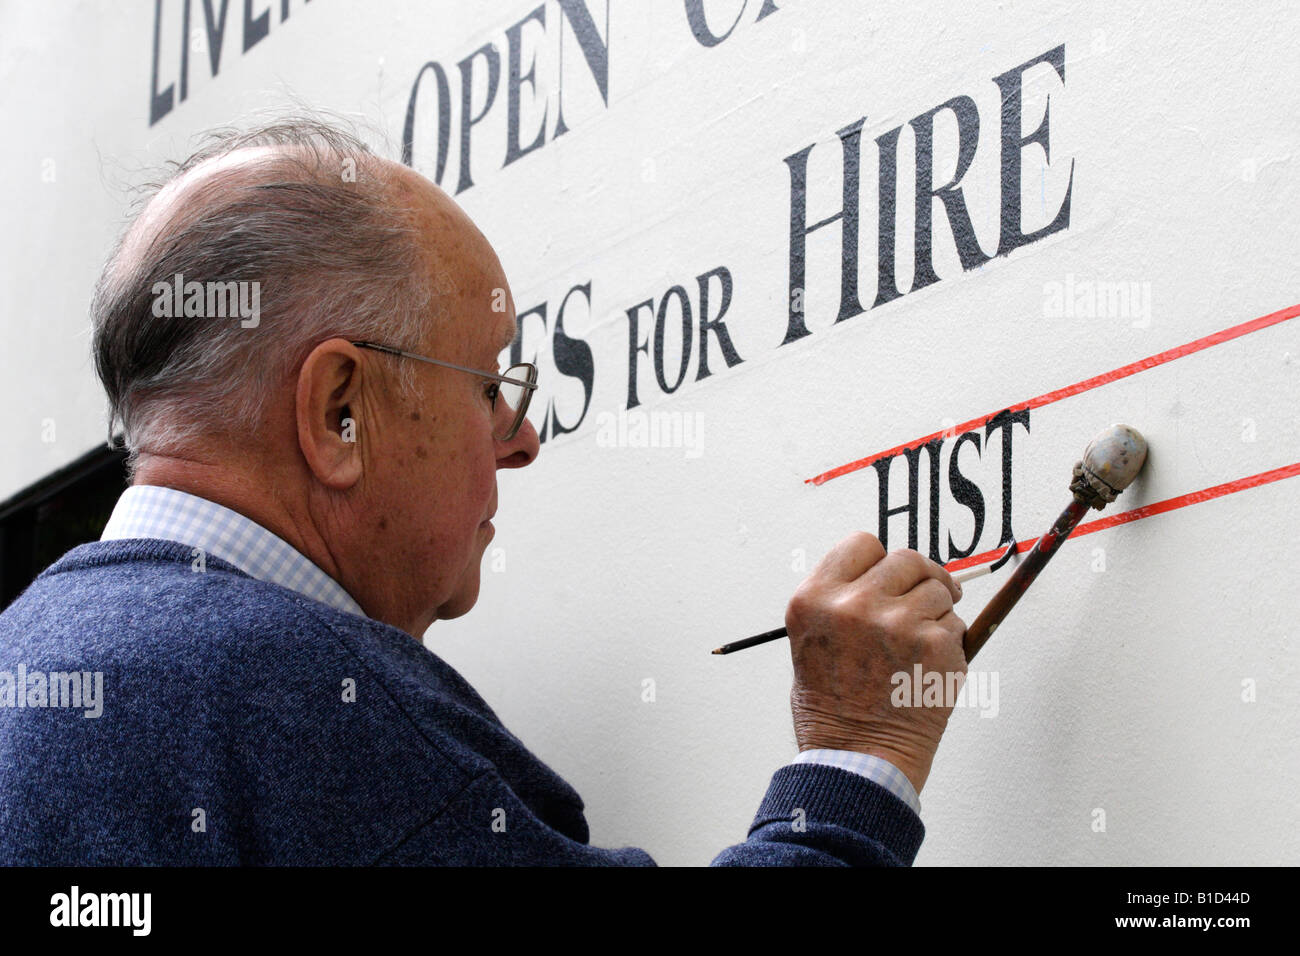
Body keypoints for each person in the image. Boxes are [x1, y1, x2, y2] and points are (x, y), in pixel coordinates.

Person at [0, 114, 968, 865]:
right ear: (340, 408)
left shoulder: (32, 651)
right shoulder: (294, 688)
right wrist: (857, 750)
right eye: (487, 382)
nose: (523, 439)